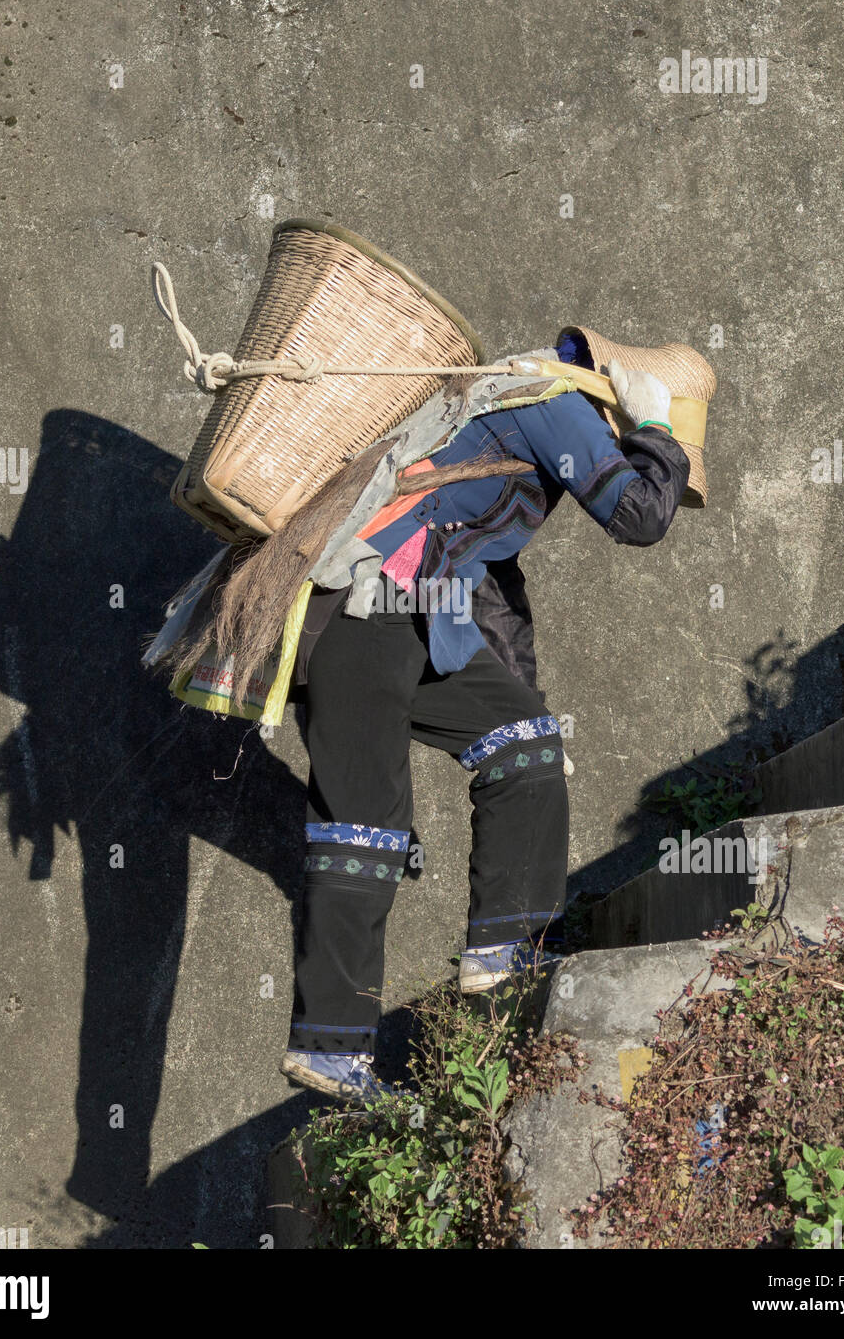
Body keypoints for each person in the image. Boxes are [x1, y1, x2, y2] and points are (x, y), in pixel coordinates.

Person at [279, 354, 691, 1103]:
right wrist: (660, 427)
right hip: (365, 611)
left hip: (411, 617)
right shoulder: (552, 399)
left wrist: (525, 719)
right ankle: (329, 1046)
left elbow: (496, 595)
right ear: (620, 407)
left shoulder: (501, 416)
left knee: (525, 741)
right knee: (364, 826)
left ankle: (506, 949)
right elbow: (640, 516)